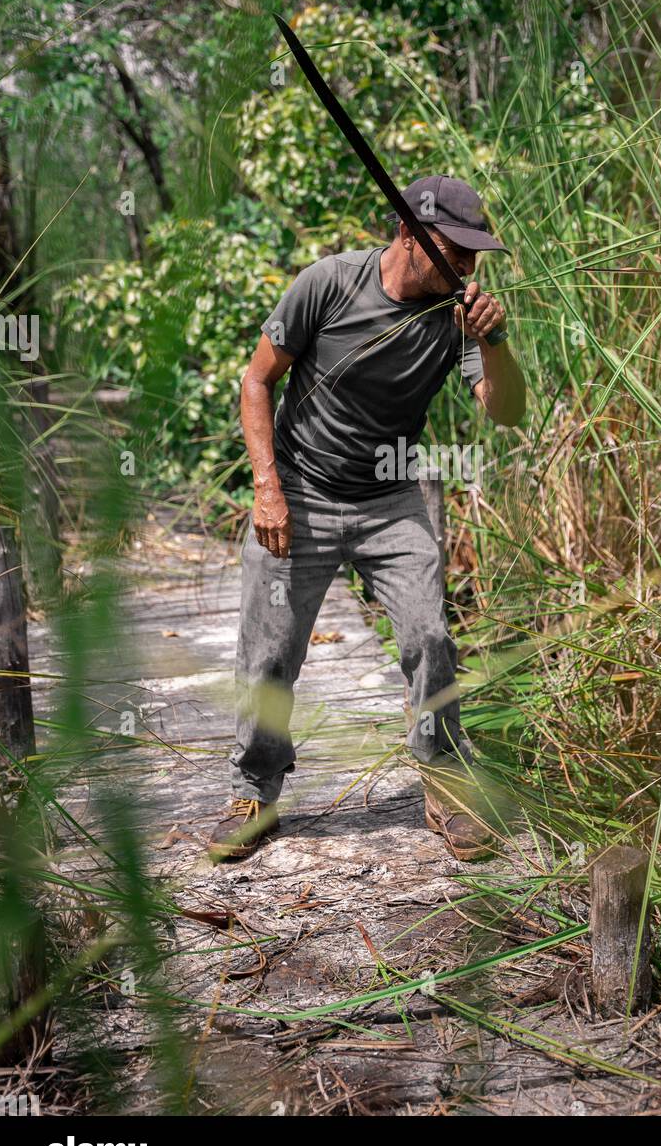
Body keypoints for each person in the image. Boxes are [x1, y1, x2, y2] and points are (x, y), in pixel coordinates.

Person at [207, 175, 526, 863]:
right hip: (301, 491)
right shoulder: (328, 284)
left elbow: (507, 411)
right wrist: (267, 488)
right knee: (268, 652)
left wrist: (495, 343)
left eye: (476, 256)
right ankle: (254, 791)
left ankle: (444, 785)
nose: (467, 268)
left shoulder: (458, 316)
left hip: (389, 500)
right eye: (454, 250)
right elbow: (257, 380)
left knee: (430, 638)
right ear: (409, 234)